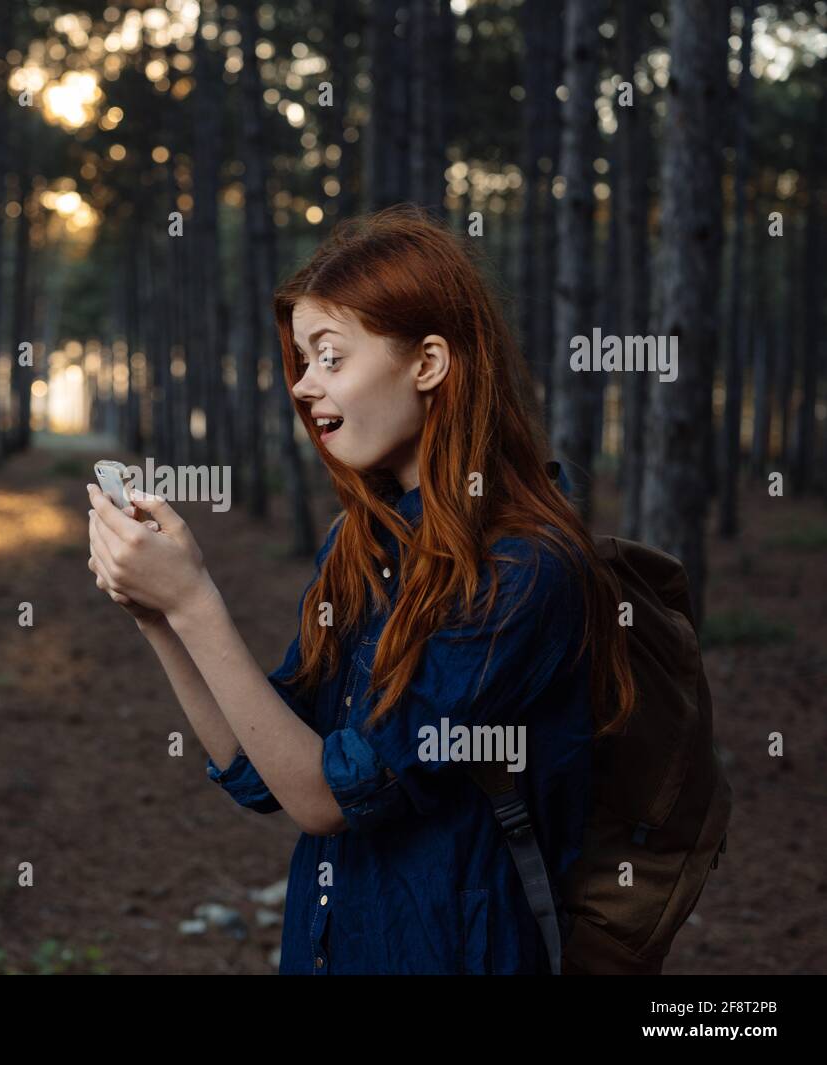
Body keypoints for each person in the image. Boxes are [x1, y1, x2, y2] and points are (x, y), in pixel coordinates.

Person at [85, 205, 635, 975]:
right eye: (303, 361)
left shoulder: (525, 570)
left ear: (429, 362)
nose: (305, 386)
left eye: (330, 356)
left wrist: (194, 601)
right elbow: (263, 766)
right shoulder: (363, 544)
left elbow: (328, 798)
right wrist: (156, 617)